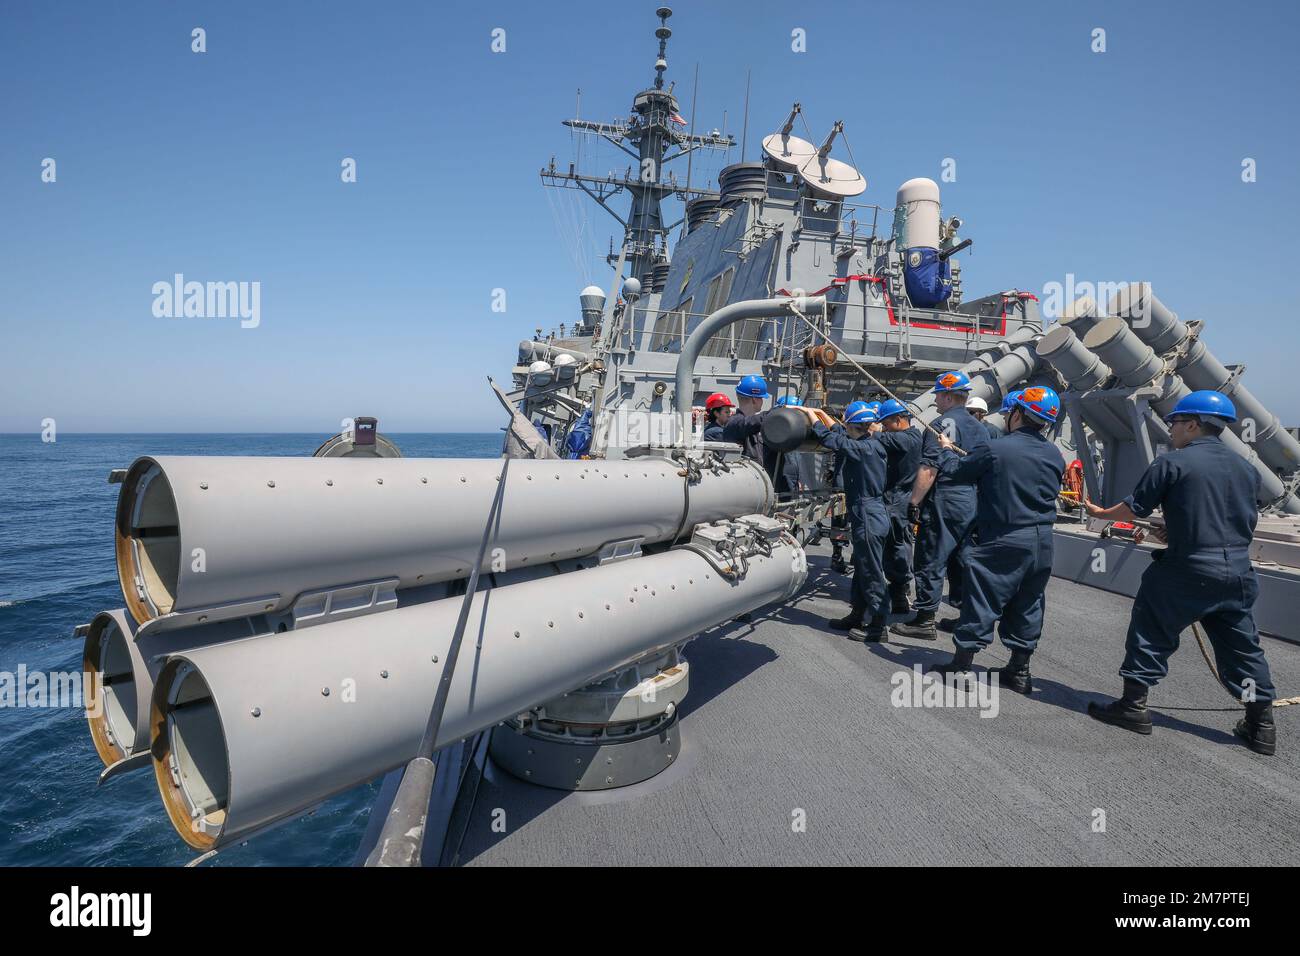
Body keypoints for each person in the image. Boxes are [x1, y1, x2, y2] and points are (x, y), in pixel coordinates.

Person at [1083, 390, 1277, 755]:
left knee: (1150, 630)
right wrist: (1180, 530)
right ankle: (1261, 725)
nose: (1171, 429)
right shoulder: (1247, 469)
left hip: (1186, 570)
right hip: (1236, 571)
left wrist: (1100, 512)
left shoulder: (1171, 463)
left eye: (1175, 422)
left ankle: (1133, 706)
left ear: (1192, 424)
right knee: (1242, 648)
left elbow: (1130, 510)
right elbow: (1231, 520)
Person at [928, 386, 1066, 689]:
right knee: (1029, 602)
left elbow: (955, 471)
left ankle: (961, 667)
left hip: (1005, 537)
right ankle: (1019, 671)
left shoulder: (997, 448)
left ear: (1017, 413)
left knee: (983, 598)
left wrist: (946, 448)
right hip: (1042, 541)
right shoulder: (1055, 454)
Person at [893, 371, 991, 640]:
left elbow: (929, 468)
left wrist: (914, 503)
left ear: (948, 395)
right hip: (971, 500)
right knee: (964, 559)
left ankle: (924, 619)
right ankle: (966, 615)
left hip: (945, 499)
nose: (935, 399)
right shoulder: (980, 427)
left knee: (931, 555)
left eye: (938, 394)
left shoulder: (941, 424)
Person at [802, 401, 891, 641]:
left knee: (871, 572)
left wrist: (812, 418)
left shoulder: (864, 449)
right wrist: (823, 415)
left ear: (852, 425)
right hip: (869, 513)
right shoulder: (870, 443)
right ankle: (858, 614)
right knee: (862, 569)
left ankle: (878, 625)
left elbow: (835, 441)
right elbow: (841, 437)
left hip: (868, 515)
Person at [872, 399, 923, 614]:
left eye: (886, 423)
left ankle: (899, 593)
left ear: (899, 419)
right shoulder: (909, 436)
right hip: (895, 498)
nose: (883, 427)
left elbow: (887, 440)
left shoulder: (908, 438)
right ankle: (897, 591)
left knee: (897, 545)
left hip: (897, 500)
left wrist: (873, 431)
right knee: (895, 545)